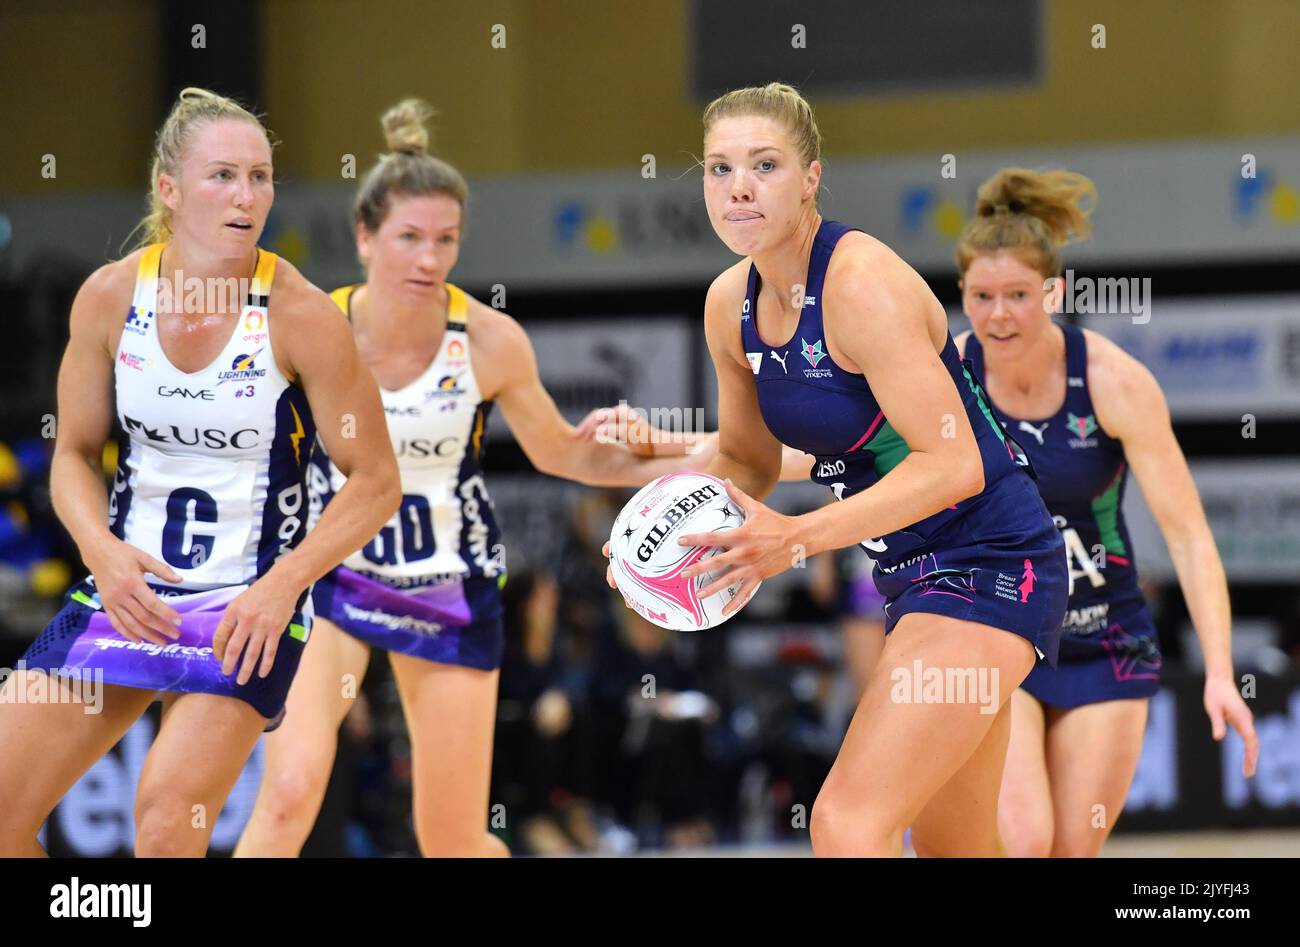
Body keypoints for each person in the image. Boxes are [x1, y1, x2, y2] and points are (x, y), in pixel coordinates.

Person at [605, 82, 1069, 857]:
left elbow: (953, 463)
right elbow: (745, 463)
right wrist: (651, 546)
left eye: (765, 164)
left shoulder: (862, 287)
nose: (739, 187)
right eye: (720, 169)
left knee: (847, 823)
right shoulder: (730, 304)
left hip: (991, 562)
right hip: (916, 578)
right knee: (958, 847)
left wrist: (797, 538)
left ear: (812, 176)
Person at [235, 100, 695, 857]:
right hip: (332, 572)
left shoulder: (487, 338)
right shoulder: (317, 327)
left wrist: (697, 450)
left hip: (446, 577)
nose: (428, 258)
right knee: (286, 797)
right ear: (364, 237)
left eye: (445, 240)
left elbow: (563, 452)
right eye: (409, 237)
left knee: (450, 836)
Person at [0, 88, 400, 857]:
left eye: (261, 175)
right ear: (169, 189)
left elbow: (375, 480)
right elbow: (74, 457)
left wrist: (284, 584)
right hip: (126, 589)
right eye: (223, 175)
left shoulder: (304, 316)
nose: (247, 196)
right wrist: (101, 553)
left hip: (245, 604)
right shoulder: (110, 299)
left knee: (163, 820)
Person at [952, 167, 1259, 855]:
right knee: (1025, 840)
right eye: (981, 296)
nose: (998, 314)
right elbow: (842, 449)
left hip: (1107, 640)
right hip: (1003, 635)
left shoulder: (1114, 381)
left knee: (1071, 847)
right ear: (963, 295)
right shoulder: (949, 378)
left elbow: (1188, 537)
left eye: (1019, 295)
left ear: (1055, 293)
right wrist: (700, 451)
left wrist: (1218, 669)